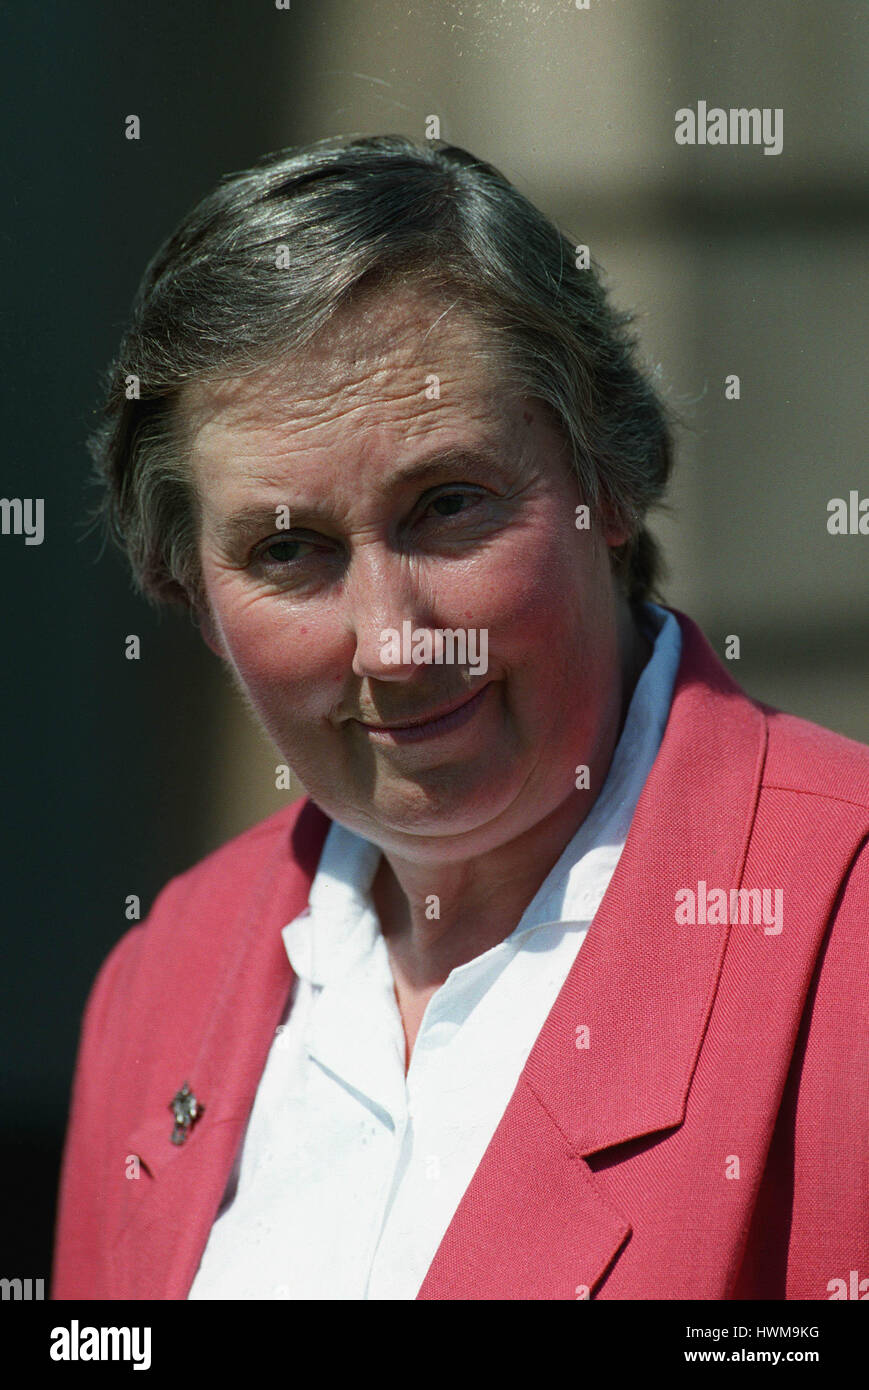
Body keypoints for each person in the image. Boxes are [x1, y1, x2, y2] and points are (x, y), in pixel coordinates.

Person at [52, 134, 869, 1300]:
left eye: (447, 506)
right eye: (289, 550)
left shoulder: (842, 930)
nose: (393, 641)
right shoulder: (163, 981)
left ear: (609, 481)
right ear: (187, 592)